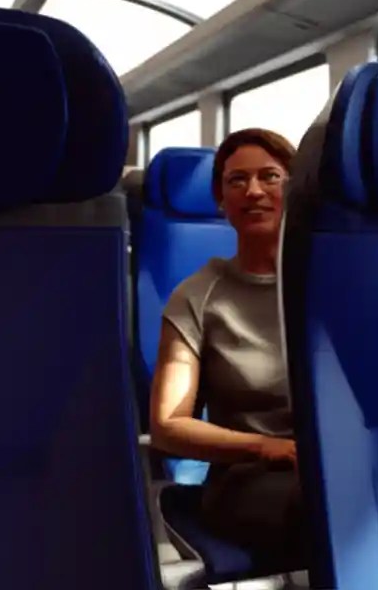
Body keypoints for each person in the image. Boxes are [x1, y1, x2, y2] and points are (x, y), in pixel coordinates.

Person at [148, 128, 306, 564]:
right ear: (221, 200)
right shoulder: (197, 297)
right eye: (237, 180)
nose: (253, 191)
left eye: (270, 176)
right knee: (333, 505)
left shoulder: (329, 284)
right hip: (248, 479)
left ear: (294, 190)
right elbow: (167, 426)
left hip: (334, 464)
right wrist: (264, 447)